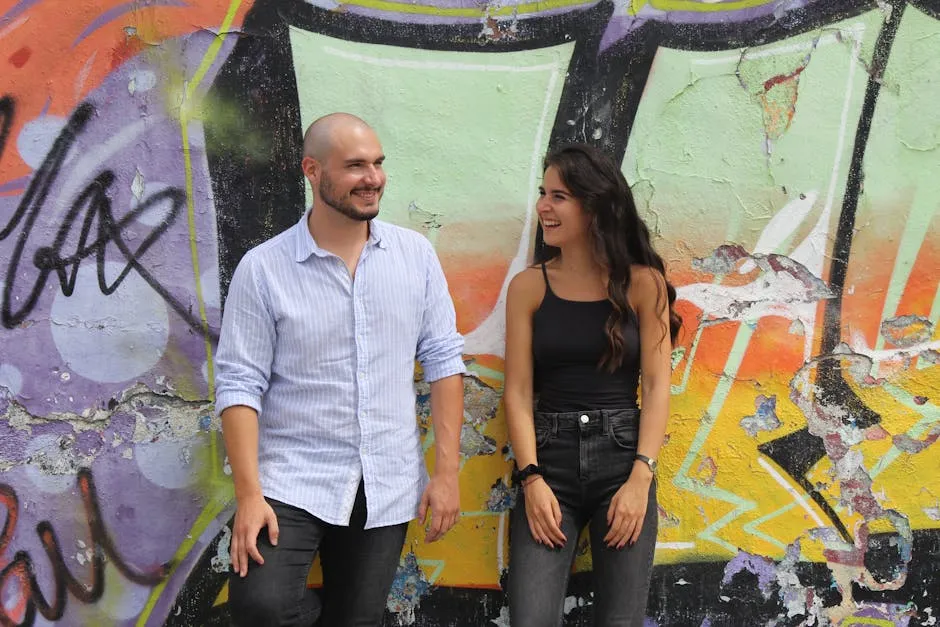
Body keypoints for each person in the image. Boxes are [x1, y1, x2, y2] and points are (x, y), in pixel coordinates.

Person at [214, 113, 466, 627]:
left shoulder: (414, 257)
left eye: (377, 163)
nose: (373, 177)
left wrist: (446, 473)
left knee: (359, 619)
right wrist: (247, 495)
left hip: (385, 480)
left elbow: (443, 362)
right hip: (290, 481)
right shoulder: (264, 268)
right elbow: (240, 383)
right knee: (261, 607)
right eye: (355, 165)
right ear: (312, 170)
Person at [503, 143, 681, 626]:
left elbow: (658, 386)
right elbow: (517, 393)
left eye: (558, 196)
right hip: (549, 463)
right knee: (530, 619)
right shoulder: (528, 287)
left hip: (623, 461)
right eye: (543, 193)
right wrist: (531, 479)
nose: (543, 206)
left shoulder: (645, 284)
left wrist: (640, 479)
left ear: (594, 204)